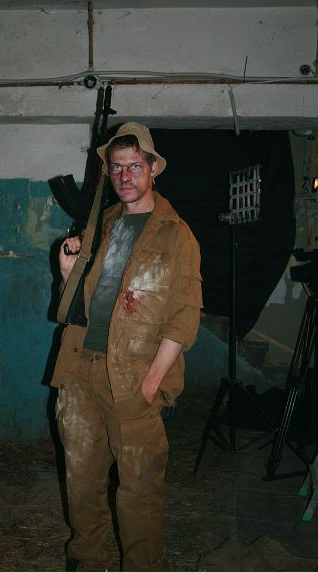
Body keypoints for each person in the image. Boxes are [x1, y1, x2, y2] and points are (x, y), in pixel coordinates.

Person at [51, 122, 202, 572]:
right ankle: (87, 558)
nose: (125, 176)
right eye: (117, 168)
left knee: (139, 492)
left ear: (153, 168)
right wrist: (66, 272)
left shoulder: (177, 235)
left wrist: (151, 383)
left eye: (135, 166)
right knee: (81, 478)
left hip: (135, 379)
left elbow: (184, 318)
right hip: (79, 370)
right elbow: (78, 304)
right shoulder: (102, 224)